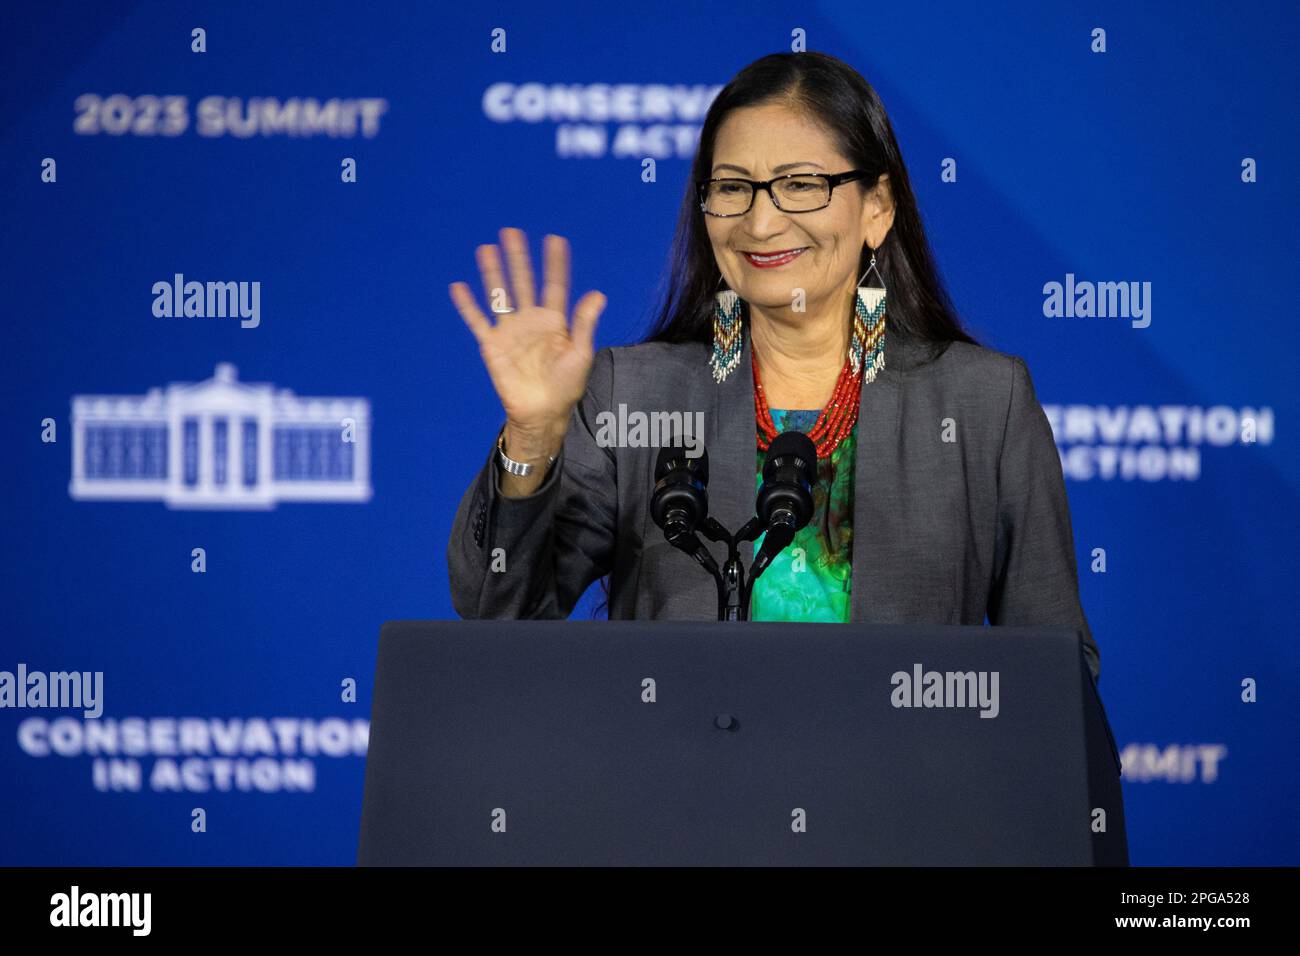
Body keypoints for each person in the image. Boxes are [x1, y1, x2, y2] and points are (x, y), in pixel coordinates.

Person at [447, 51, 1099, 679]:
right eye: (733, 188)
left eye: (800, 185)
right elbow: (498, 613)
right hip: (683, 789)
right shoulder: (632, 394)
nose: (760, 222)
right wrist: (532, 438)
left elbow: (1057, 677)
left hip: (905, 792)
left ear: (877, 207)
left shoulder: (983, 403)